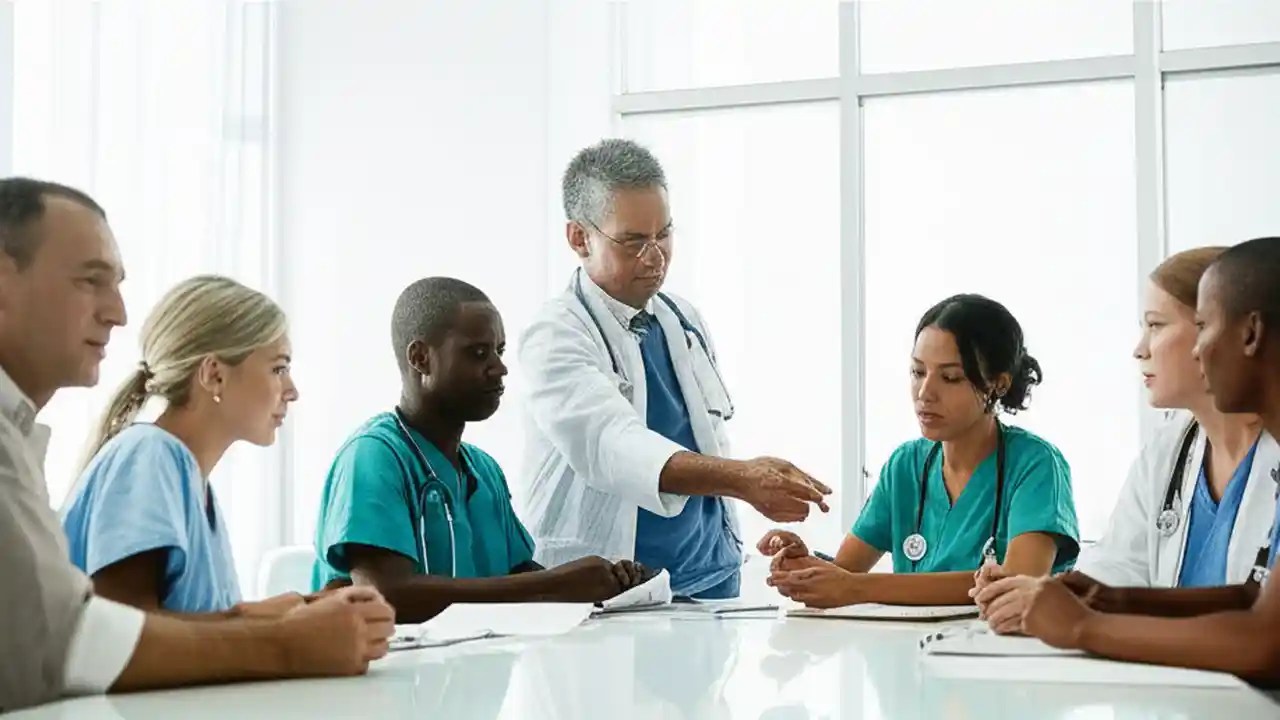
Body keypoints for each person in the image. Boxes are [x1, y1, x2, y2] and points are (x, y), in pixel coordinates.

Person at [0, 177, 392, 712]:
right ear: (214, 375)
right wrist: (285, 640)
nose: (117, 312)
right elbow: (90, 639)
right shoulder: (150, 456)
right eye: (90, 281)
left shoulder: (173, 470)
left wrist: (269, 616)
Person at [519, 139, 832, 599]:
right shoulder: (555, 335)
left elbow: (708, 434)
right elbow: (613, 444)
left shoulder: (681, 318)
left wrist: (741, 495)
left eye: (663, 234)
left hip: (710, 575)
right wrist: (743, 478)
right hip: (613, 590)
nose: (655, 256)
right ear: (579, 238)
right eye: (633, 242)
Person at [1009, 237, 1280, 682]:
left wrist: (1083, 626)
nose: (1199, 351)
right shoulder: (1169, 446)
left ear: (1250, 333)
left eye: (1204, 326)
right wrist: (1109, 598)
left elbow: (1267, 640)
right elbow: (1254, 595)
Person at [312, 277, 649, 623]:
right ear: (421, 358)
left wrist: (600, 584)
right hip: (390, 658)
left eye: (499, 351)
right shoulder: (373, 456)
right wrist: (555, 584)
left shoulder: (483, 470)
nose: (500, 368)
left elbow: (518, 578)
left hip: (479, 657)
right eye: (478, 353)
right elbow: (387, 596)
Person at [762, 294, 1080, 608]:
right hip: (907, 643)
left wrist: (855, 587)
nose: (925, 393)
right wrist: (805, 567)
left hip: (995, 642)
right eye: (917, 372)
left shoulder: (1036, 465)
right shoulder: (906, 466)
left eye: (950, 377)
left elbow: (1018, 583)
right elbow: (845, 574)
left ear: (998, 384)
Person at [60, 275, 303, 615]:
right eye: (278, 368)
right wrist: (276, 627)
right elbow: (127, 632)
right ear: (214, 375)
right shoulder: (150, 456)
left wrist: (285, 615)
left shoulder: (191, 483)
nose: (292, 391)